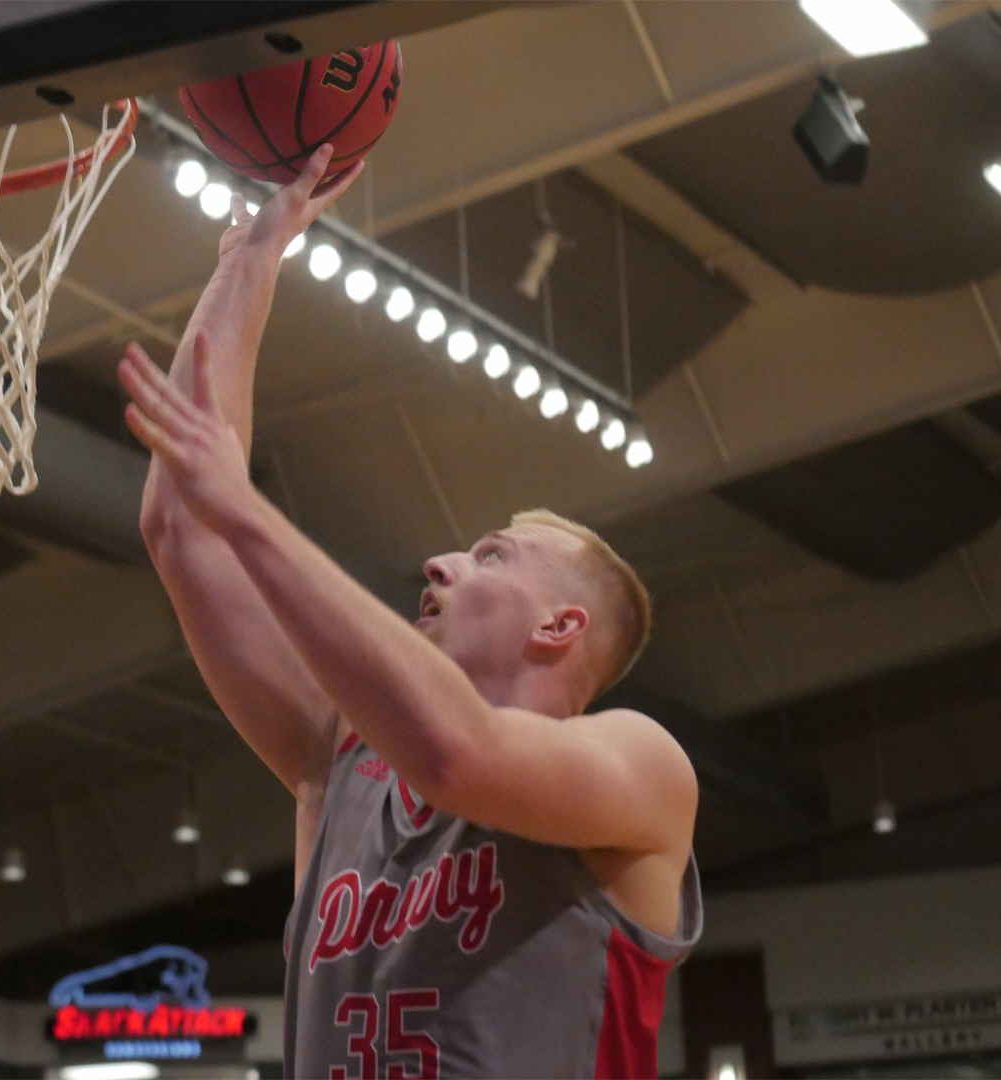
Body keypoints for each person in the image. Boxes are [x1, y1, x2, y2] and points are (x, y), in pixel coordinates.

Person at [118, 144, 702, 1079]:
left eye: (491, 555)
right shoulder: (338, 760)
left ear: (560, 628)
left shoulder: (639, 767)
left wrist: (251, 513)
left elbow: (457, 753)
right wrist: (250, 261)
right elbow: (180, 527)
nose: (440, 561)